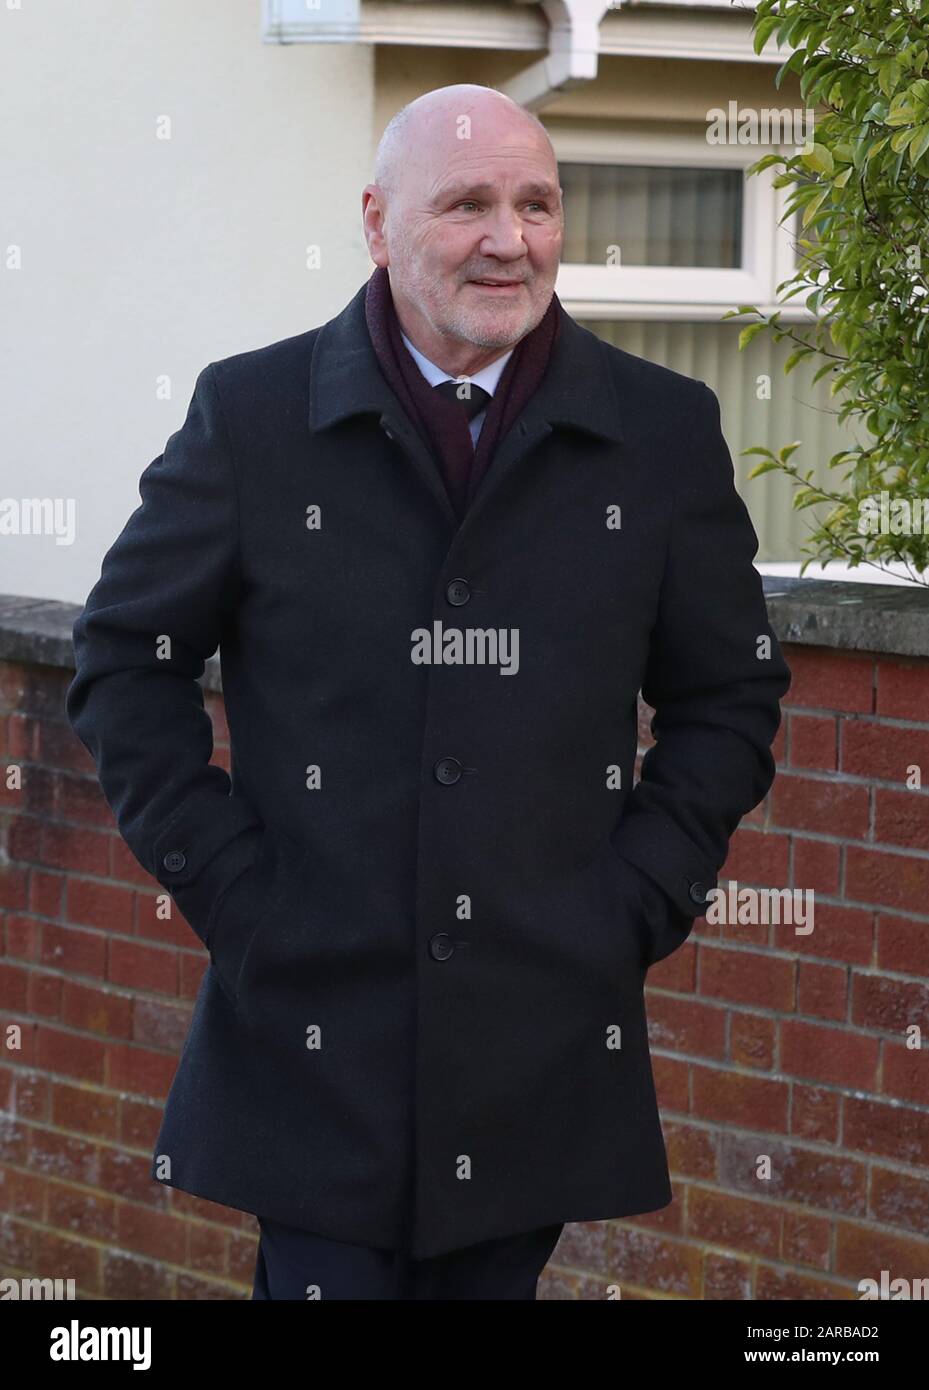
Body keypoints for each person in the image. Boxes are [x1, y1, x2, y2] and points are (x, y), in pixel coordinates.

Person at [66, 83, 792, 1300]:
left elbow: (728, 694)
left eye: (536, 204)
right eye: (466, 204)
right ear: (374, 222)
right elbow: (120, 663)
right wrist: (242, 900)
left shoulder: (659, 432)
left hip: (538, 1040)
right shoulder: (251, 419)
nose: (509, 239)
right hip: (311, 1037)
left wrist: (632, 901)